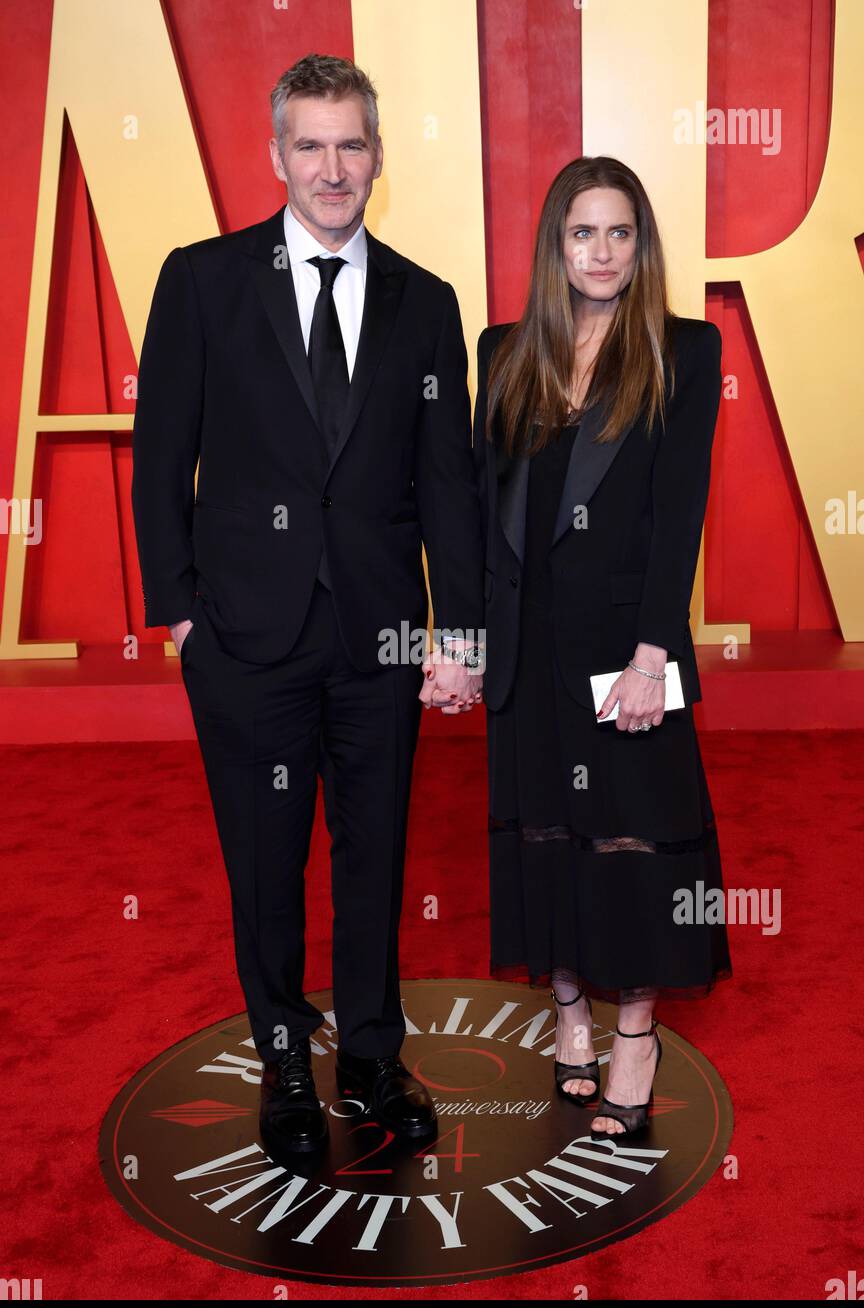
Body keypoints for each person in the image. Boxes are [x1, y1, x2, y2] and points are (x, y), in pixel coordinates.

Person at [131, 54, 483, 1156]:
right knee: (264, 860)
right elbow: (158, 463)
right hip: (243, 639)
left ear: (378, 154)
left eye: (352, 144)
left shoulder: (427, 304)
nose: (334, 168)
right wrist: (182, 617)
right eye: (312, 145)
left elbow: (449, 488)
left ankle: (372, 1056)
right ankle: (284, 1062)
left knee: (376, 853)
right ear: (276, 154)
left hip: (378, 639)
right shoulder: (201, 280)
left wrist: (457, 633)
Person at [473, 155, 732, 1139]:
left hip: (626, 648)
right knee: (549, 833)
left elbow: (680, 518)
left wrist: (655, 653)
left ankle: (636, 1030)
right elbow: (477, 507)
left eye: (621, 232)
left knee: (638, 837)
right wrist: (463, 634)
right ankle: (570, 1014)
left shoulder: (683, 350)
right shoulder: (502, 349)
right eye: (583, 232)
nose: (602, 251)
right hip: (528, 647)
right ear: (555, 244)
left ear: (641, 244)